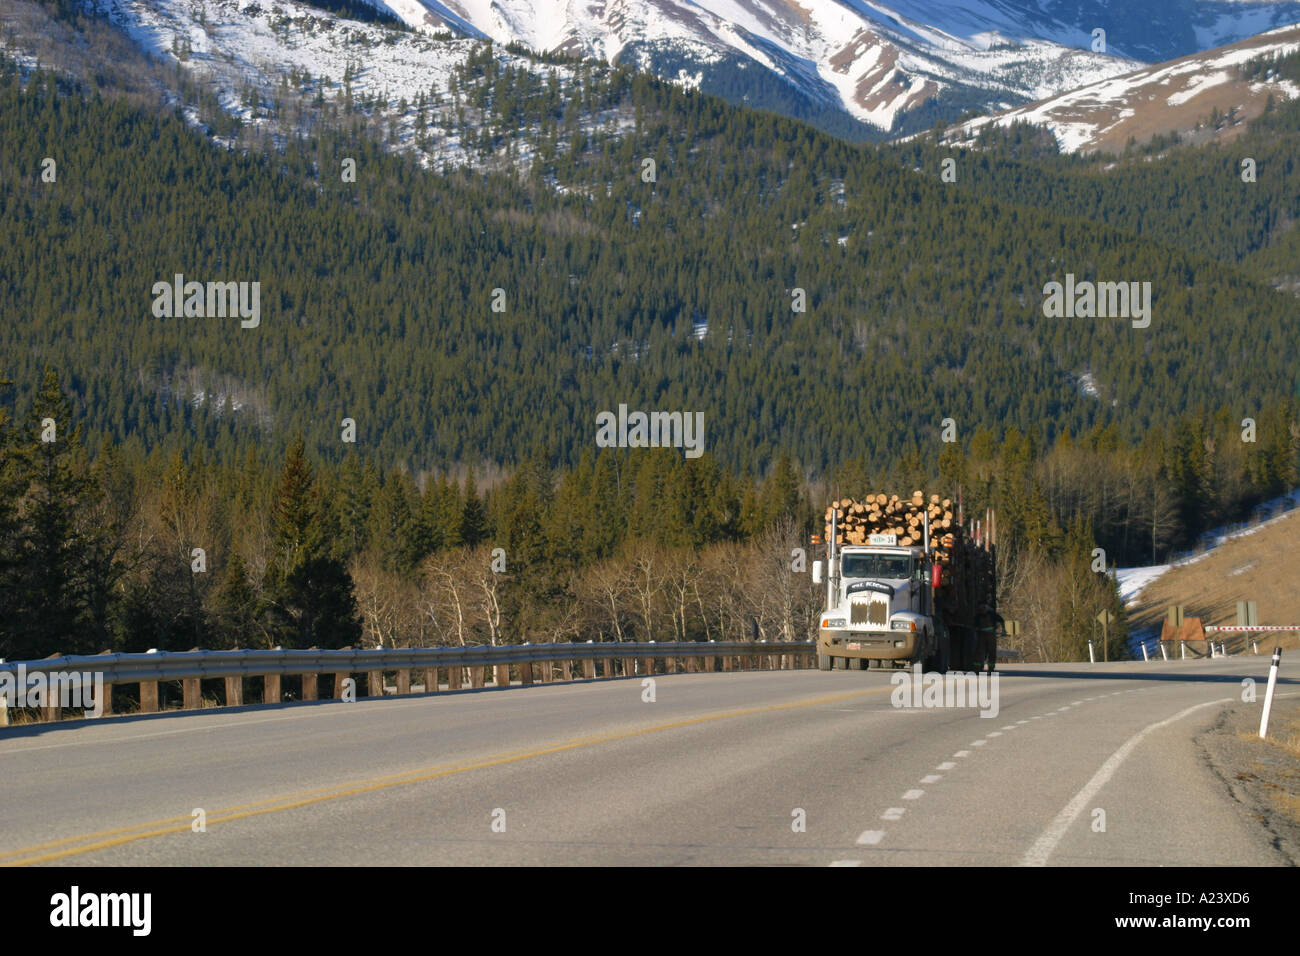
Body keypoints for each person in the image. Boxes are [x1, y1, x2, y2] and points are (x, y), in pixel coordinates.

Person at [974, 603, 1003, 673]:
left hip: (988, 635)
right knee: (981, 652)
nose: (982, 610)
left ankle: (989, 668)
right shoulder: (979, 615)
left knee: (989, 652)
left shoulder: (991, 614)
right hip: (985, 635)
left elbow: (1001, 620)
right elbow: (1001, 620)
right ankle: (979, 667)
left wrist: (1003, 629)